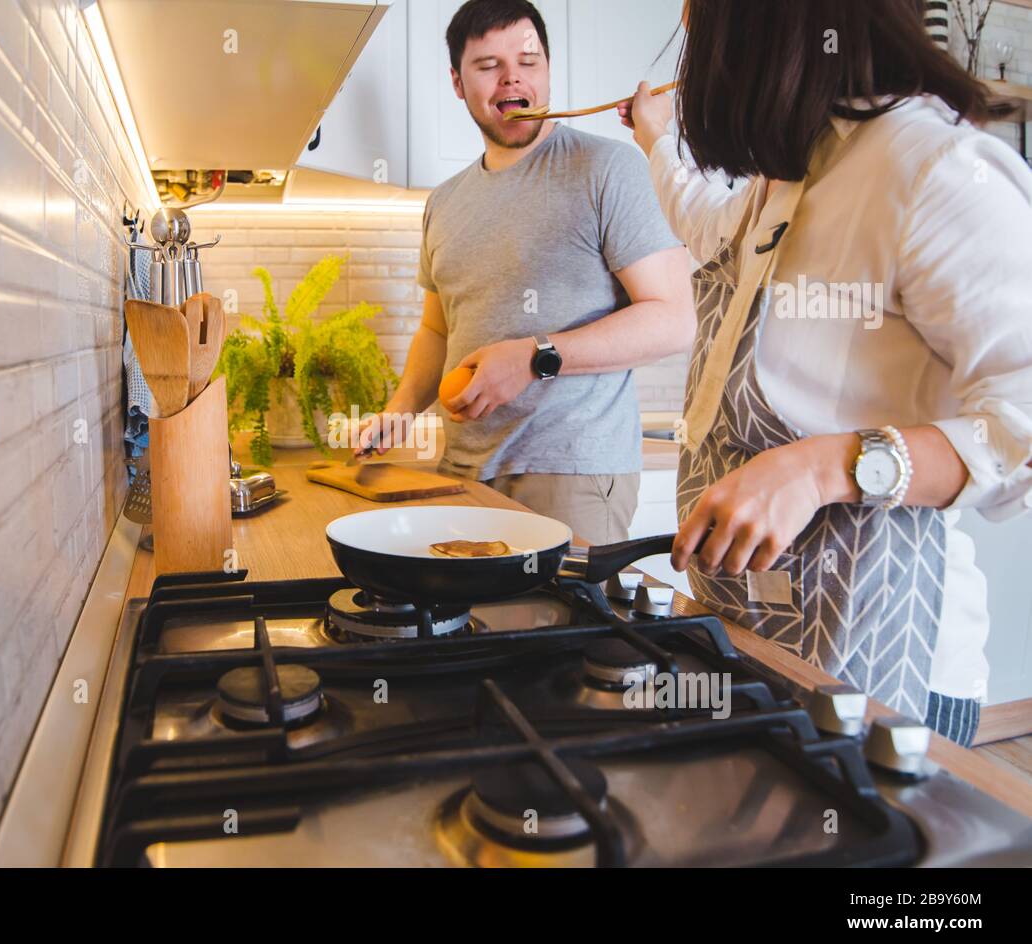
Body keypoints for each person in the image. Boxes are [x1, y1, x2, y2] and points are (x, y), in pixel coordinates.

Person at [618, 0, 1032, 745]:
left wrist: (825, 468)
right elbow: (697, 213)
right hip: (757, 643)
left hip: (883, 674)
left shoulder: (930, 171)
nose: (688, 33)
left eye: (698, 15)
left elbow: (1023, 428)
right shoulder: (781, 184)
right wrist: (655, 139)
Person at [353, 0, 695, 546]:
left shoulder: (608, 169)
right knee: (470, 632)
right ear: (458, 84)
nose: (512, 76)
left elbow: (674, 319)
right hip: (463, 473)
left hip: (569, 472)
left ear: (548, 73)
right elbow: (437, 331)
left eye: (528, 61)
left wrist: (533, 357)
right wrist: (398, 413)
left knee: (548, 630)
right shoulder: (444, 203)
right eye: (488, 65)